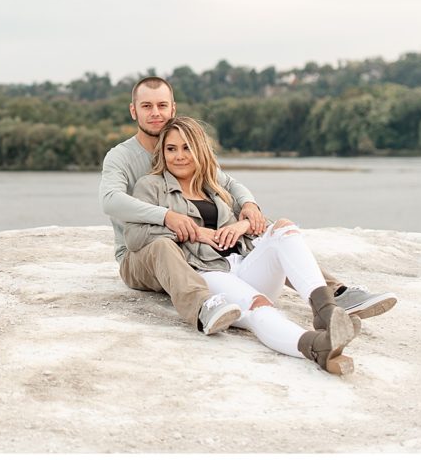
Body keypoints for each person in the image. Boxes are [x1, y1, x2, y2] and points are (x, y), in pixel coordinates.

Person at [99, 76, 396, 336]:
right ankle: (202, 308)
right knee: (167, 248)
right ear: (133, 110)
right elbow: (110, 200)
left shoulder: (182, 146)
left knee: (271, 235)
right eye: (147, 106)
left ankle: (334, 293)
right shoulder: (121, 157)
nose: (155, 113)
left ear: (173, 108)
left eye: (162, 105)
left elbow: (227, 183)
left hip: (197, 251)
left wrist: (250, 207)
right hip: (143, 252)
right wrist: (168, 217)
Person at [126, 116, 360, 374]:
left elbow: (262, 223)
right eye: (171, 149)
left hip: (243, 263)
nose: (179, 156)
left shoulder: (215, 187)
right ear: (162, 152)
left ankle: (325, 311)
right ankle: (315, 346)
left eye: (187, 148)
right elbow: (136, 236)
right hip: (208, 272)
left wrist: (242, 225)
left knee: (285, 228)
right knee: (258, 305)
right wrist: (191, 232)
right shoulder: (151, 186)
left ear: (200, 150)